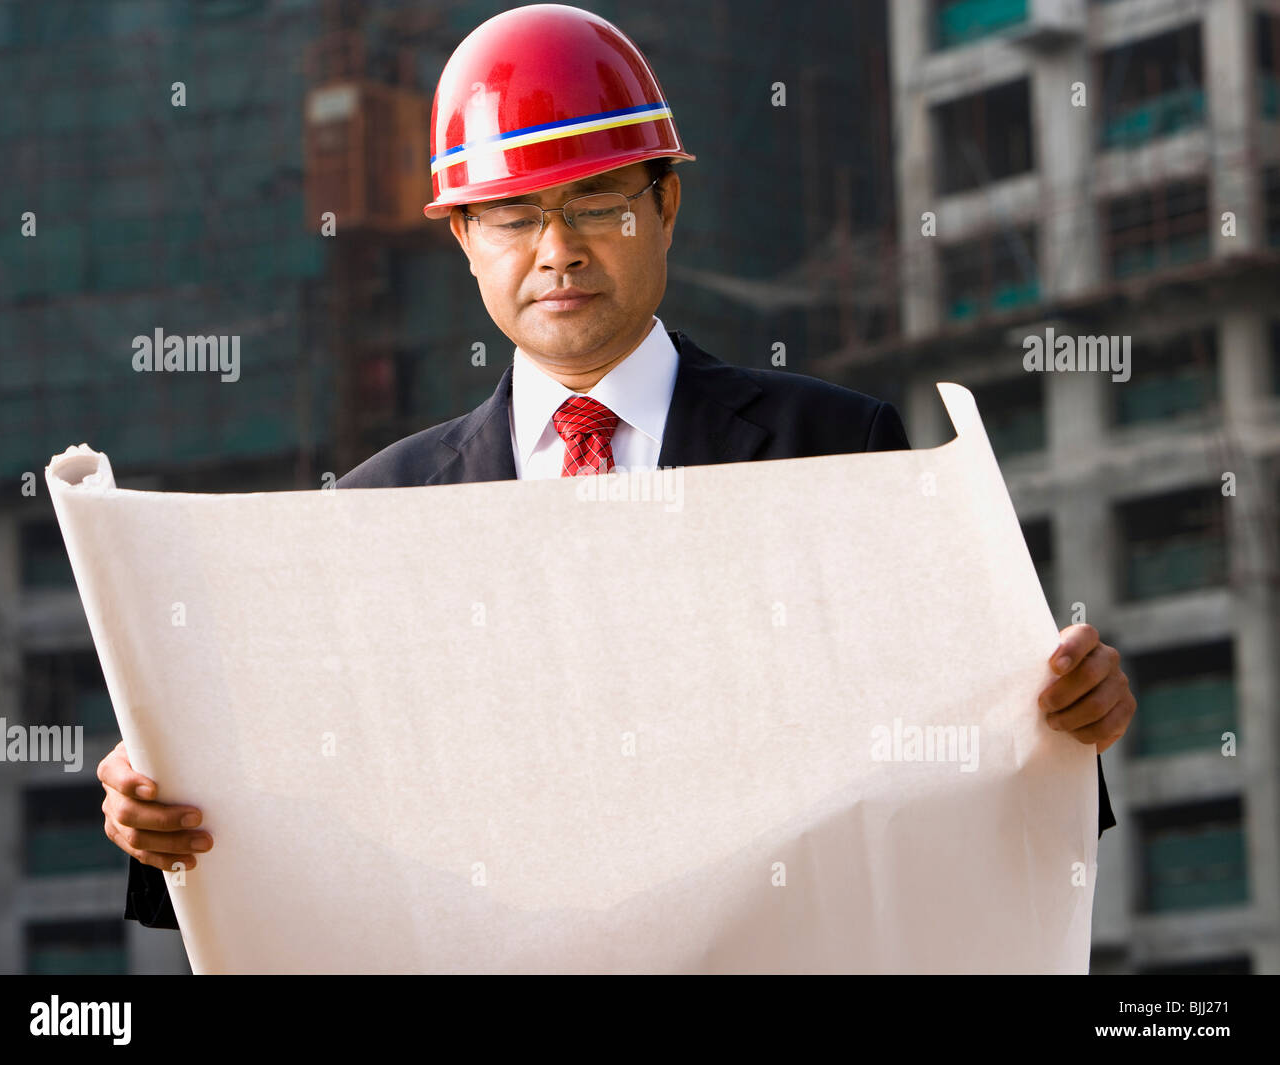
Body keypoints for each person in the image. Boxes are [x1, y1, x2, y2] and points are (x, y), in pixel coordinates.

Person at [101, 4, 1135, 932]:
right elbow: (307, 812)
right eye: (512, 215)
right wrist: (164, 815)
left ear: (666, 207)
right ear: (463, 236)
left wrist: (1061, 727)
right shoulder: (378, 513)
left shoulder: (835, 449)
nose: (557, 250)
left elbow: (969, 766)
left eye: (599, 203)